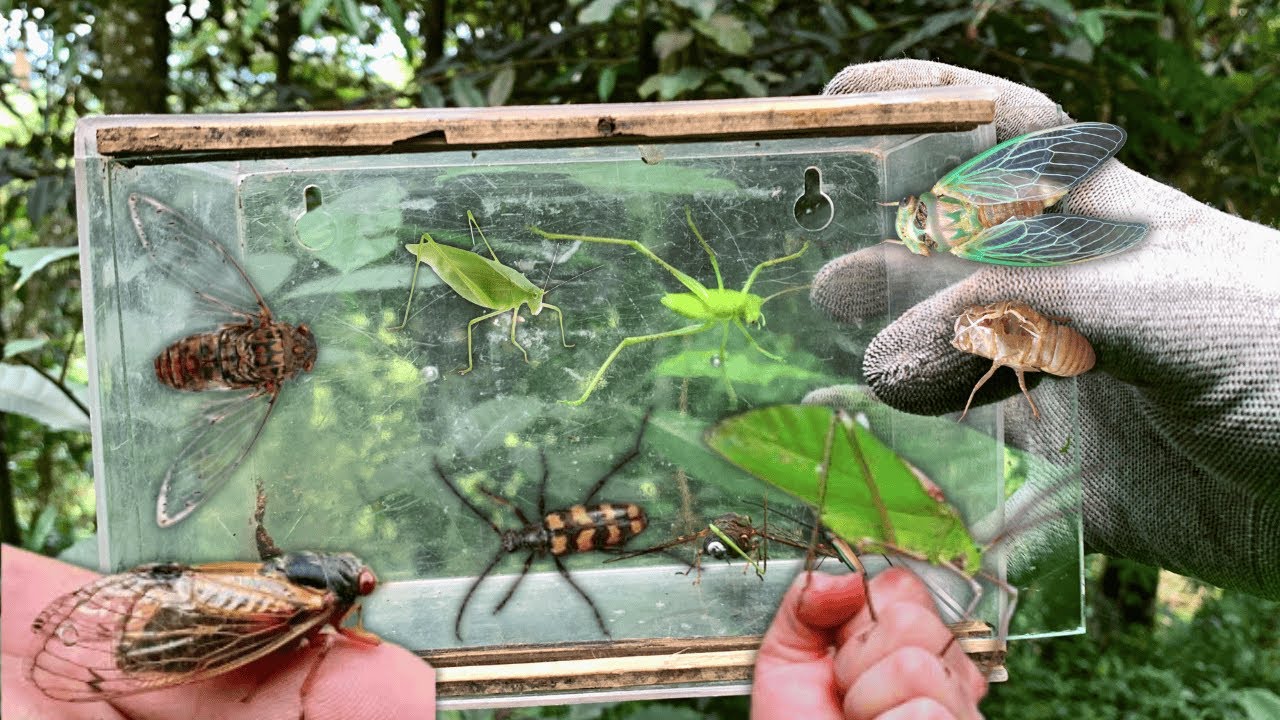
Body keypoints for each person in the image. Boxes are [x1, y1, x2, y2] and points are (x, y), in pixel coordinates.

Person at [1, 545, 438, 720]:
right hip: (224, 628)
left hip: (226, 591)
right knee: (317, 647)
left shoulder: (316, 589)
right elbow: (355, 641)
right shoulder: (316, 605)